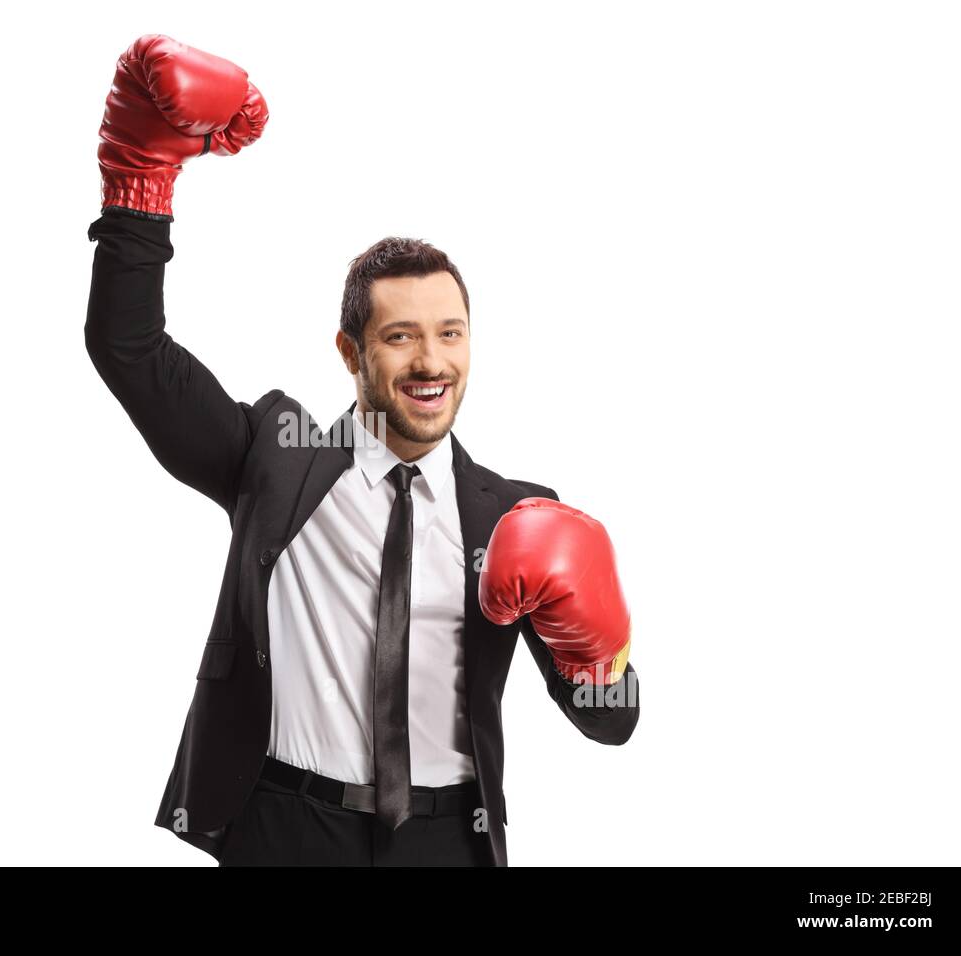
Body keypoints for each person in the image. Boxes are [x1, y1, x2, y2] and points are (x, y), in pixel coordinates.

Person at [85, 34, 640, 867]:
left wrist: (604, 653)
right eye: (401, 336)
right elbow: (128, 348)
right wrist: (140, 183)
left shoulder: (518, 515)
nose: (431, 361)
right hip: (283, 829)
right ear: (351, 353)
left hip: (449, 839)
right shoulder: (274, 456)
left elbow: (612, 722)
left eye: (450, 334)